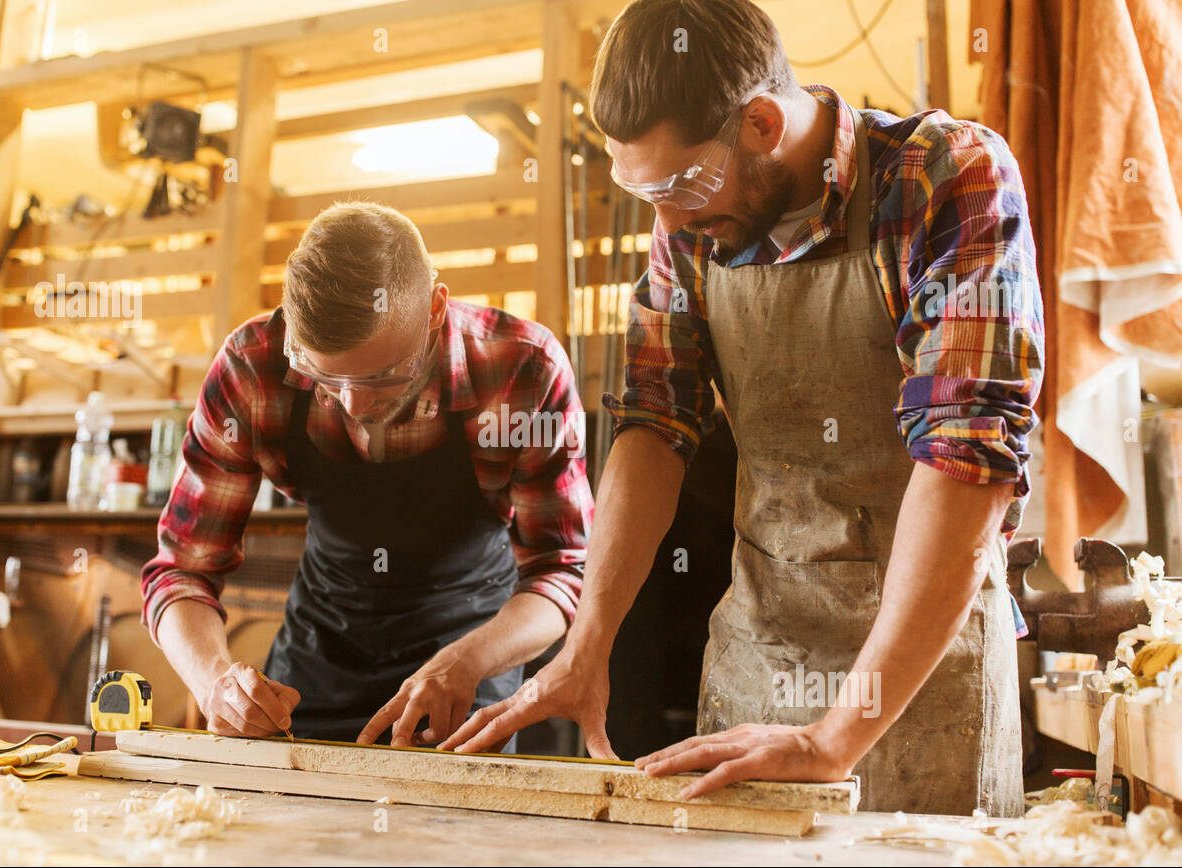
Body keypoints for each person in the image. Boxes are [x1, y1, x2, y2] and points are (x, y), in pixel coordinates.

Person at [443, 0, 1044, 815]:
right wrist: (586, 648)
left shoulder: (945, 174)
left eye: (680, 184)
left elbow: (966, 453)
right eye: (642, 188)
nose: (667, 219)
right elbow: (656, 426)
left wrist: (835, 738)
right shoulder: (690, 224)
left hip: (916, 671)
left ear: (761, 122)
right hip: (761, 647)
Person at [141, 201, 593, 750]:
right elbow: (182, 570)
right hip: (318, 660)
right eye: (324, 376)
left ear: (433, 309)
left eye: (384, 374)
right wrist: (215, 683)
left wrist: (469, 661)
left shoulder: (523, 369)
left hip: (471, 654)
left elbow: (561, 571)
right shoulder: (252, 367)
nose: (353, 404)